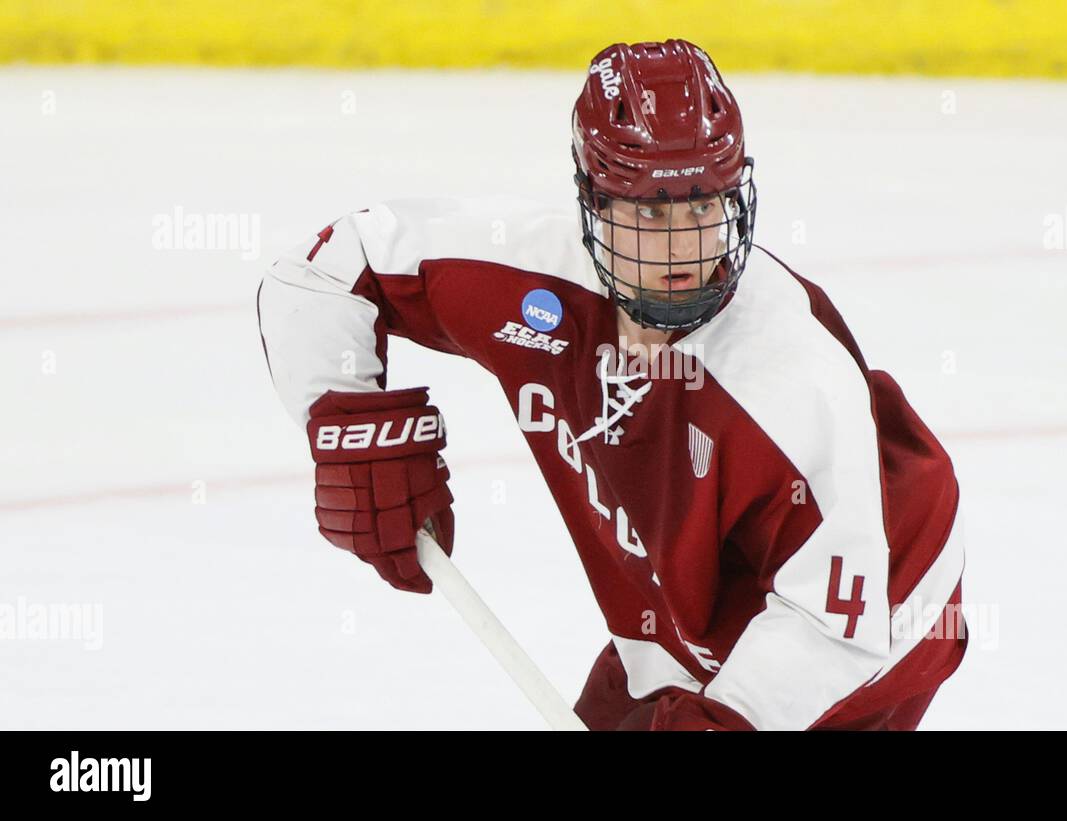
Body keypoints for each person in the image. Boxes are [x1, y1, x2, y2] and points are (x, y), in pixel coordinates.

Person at [257, 38, 967, 731]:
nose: (683, 245)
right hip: (673, 630)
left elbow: (836, 623)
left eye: (701, 206)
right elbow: (325, 271)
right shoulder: (532, 277)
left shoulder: (789, 378)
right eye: (650, 212)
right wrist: (348, 418)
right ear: (592, 202)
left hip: (880, 624)